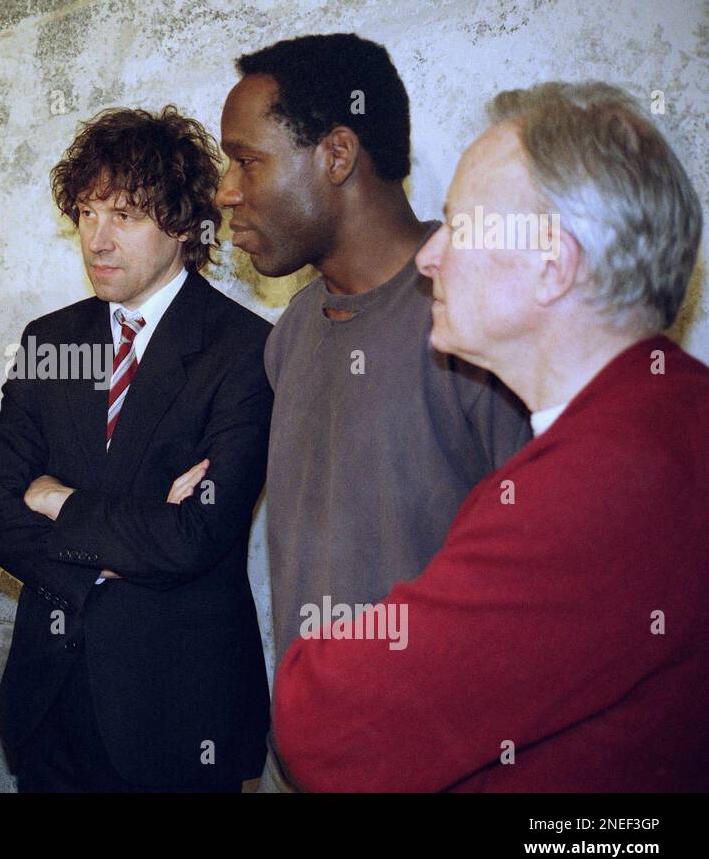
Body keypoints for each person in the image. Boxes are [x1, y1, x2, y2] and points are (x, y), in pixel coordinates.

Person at [275, 81, 709, 791]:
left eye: (461, 225)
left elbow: (325, 723)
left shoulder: (608, 476)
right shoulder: (664, 416)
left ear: (554, 264)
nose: (428, 256)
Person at [214, 34, 531, 790]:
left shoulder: (476, 319)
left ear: (337, 153)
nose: (226, 189)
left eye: (246, 159)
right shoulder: (289, 334)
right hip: (300, 765)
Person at [0, 106, 272, 792]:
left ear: (186, 226)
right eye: (85, 213)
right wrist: (116, 556)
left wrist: (58, 499)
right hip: (50, 707)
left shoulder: (245, 351)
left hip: (177, 712)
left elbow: (194, 536)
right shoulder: (53, 342)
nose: (97, 240)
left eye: (125, 216)